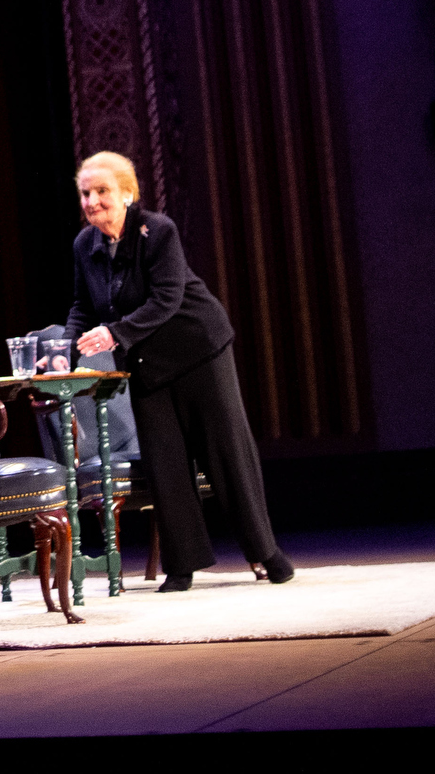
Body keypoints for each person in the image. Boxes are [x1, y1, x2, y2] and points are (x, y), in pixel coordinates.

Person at [66, 151, 294, 592]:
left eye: (102, 191)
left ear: (128, 194)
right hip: (146, 361)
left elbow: (167, 297)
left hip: (197, 348)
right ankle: (182, 565)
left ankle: (266, 552)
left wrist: (113, 334)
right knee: (165, 462)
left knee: (224, 453)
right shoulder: (84, 246)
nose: (92, 201)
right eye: (85, 193)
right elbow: (82, 305)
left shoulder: (158, 231)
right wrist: (65, 349)